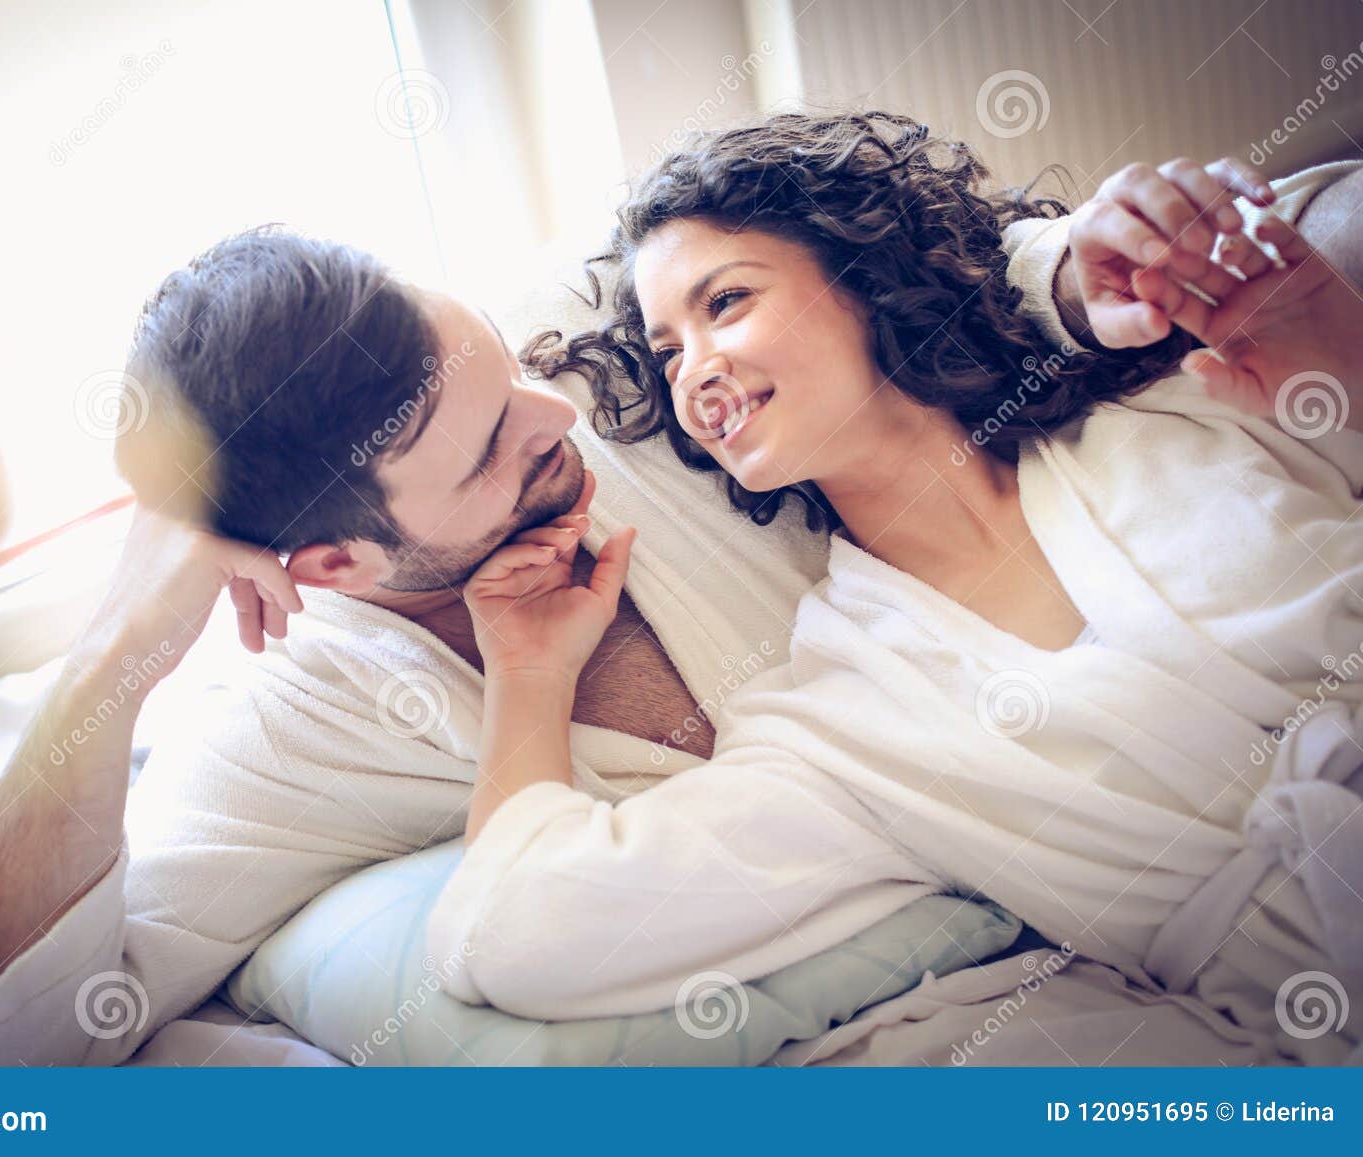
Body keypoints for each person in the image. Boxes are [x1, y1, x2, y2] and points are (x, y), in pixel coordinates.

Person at [0, 114, 1272, 1066]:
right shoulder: (298, 721)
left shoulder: (606, 328)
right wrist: (115, 646)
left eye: (508, 370)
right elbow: (22, 1045)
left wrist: (1081, 281)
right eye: (492, 447)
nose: (556, 412)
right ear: (336, 564)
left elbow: (871, 261)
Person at [425, 112, 1363, 1066]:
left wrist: (1346, 361)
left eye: (727, 303)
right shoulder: (840, 721)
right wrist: (529, 669)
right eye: (668, 351)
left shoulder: (1180, 417)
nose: (697, 368)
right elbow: (512, 931)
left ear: (865, 285)